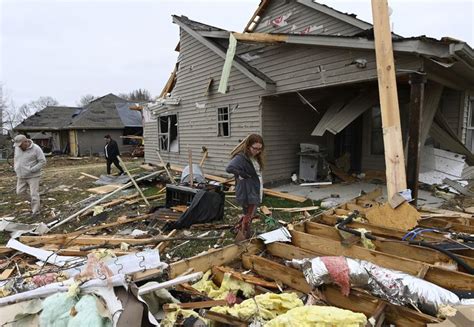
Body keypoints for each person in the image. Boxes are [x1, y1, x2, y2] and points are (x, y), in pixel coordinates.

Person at [226, 134, 264, 240]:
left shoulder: (255, 157)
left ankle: (241, 229)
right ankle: (244, 235)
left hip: (255, 187)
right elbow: (229, 168)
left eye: (260, 149)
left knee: (250, 213)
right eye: (255, 148)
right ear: (248, 146)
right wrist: (242, 174)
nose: (258, 151)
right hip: (247, 189)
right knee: (249, 213)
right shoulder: (241, 157)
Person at [13, 134, 46, 216]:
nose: (19, 147)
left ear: (25, 142)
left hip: (33, 176)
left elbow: (42, 161)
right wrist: (16, 168)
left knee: (34, 193)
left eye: (21, 145)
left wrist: (32, 170)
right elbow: (16, 159)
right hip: (21, 175)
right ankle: (36, 201)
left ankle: (35, 211)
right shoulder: (17, 148)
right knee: (19, 192)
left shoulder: (36, 148)